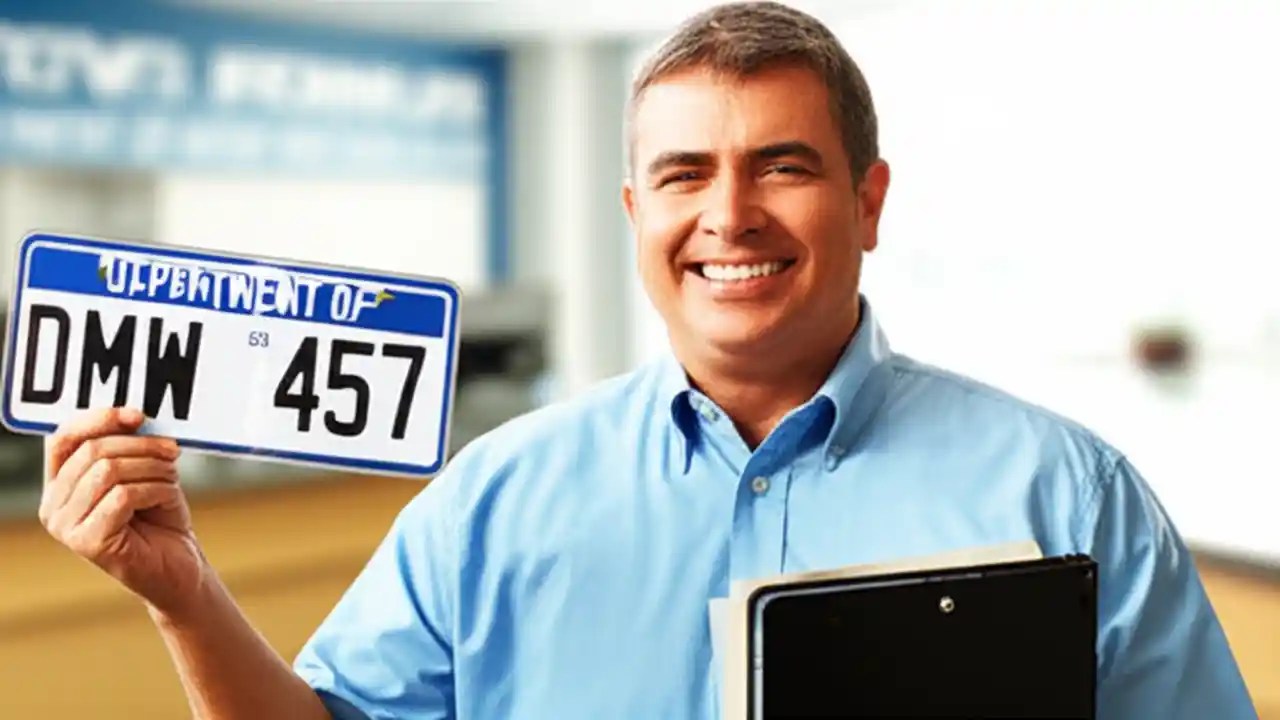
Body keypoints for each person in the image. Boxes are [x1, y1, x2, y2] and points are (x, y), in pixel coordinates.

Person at [38, 2, 1257, 719]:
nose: (728, 216)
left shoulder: (1065, 495)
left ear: (867, 201)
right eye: (683, 175)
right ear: (635, 212)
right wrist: (183, 594)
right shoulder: (492, 498)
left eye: (781, 166)